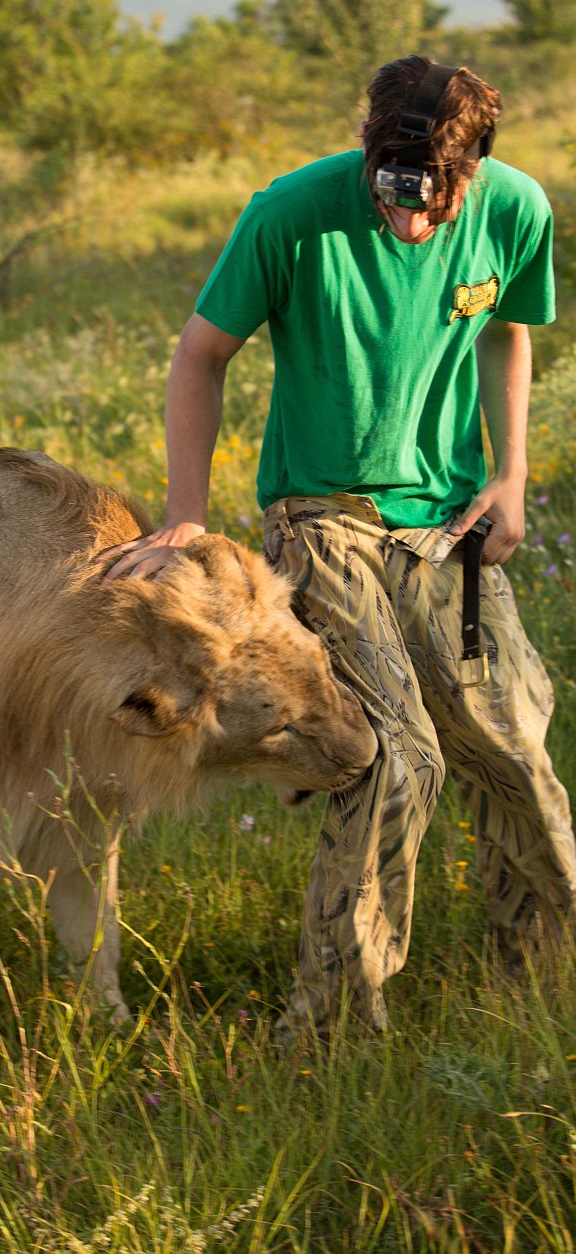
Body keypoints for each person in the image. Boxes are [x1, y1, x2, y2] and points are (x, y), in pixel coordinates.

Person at [104, 54, 576, 1040]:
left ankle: (539, 979)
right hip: (321, 514)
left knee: (514, 746)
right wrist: (184, 511)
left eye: (430, 201)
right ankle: (329, 1026)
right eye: (390, 192)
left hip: (446, 515)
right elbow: (200, 352)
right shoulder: (288, 212)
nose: (407, 222)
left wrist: (509, 476)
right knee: (393, 759)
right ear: (369, 156)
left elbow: (503, 334)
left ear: (472, 169)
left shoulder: (515, 209)